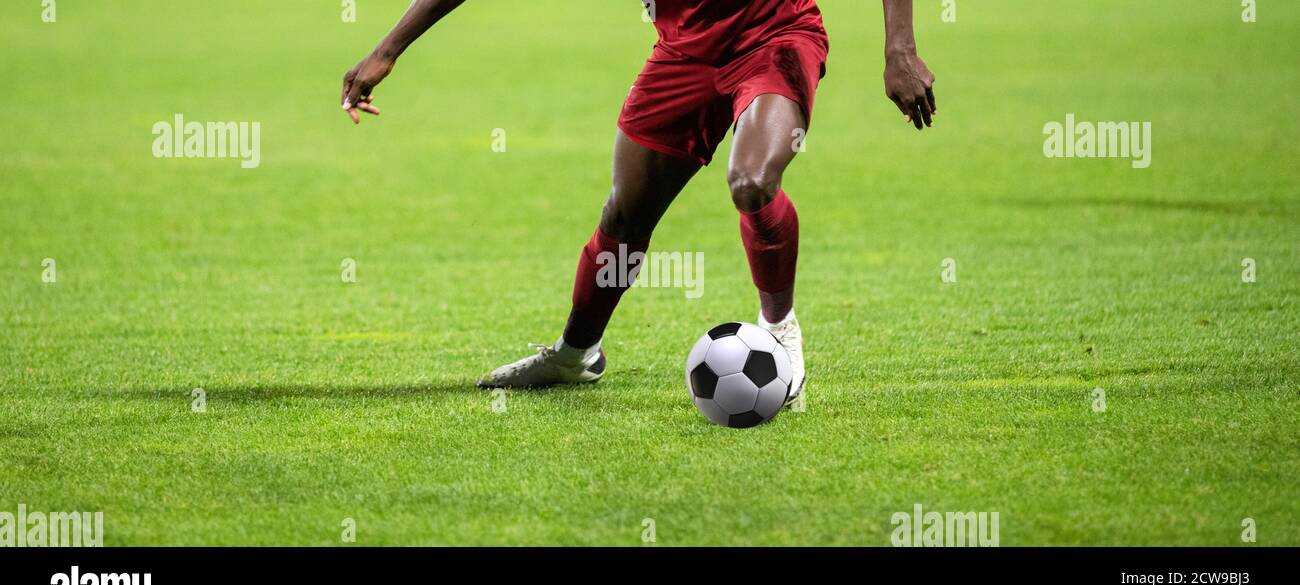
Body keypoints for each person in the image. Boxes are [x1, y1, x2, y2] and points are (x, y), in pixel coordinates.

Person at [341, 0, 936, 401]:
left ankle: (779, 333)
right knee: (624, 215)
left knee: (751, 181)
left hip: (774, 40)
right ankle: (575, 355)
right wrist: (388, 49)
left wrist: (899, 48)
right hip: (682, 55)